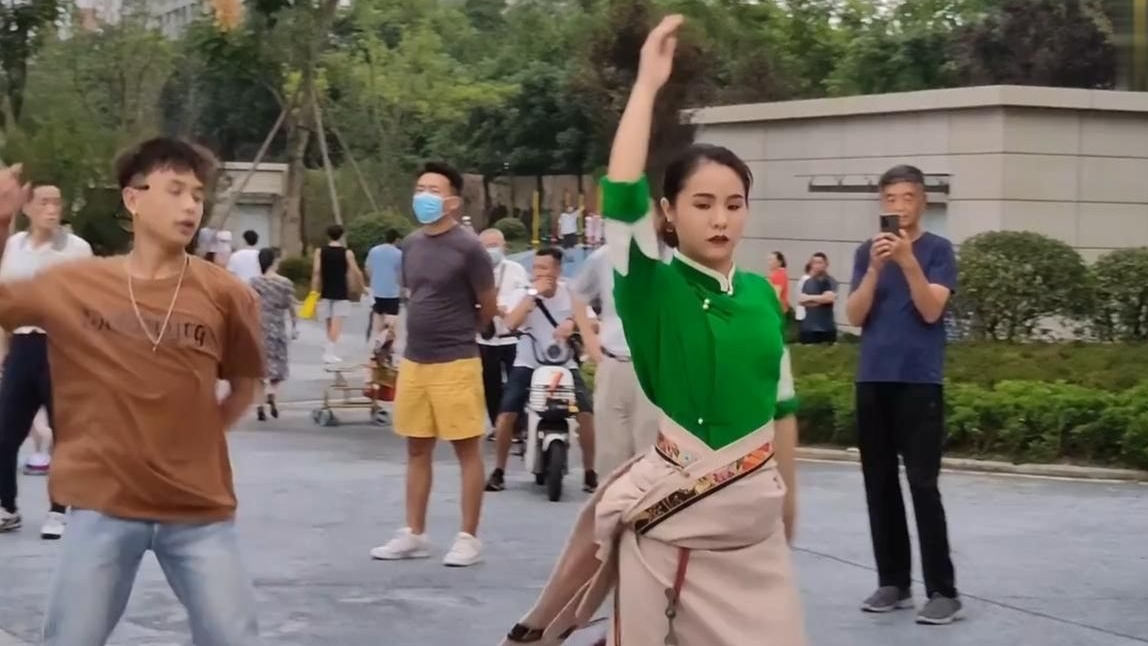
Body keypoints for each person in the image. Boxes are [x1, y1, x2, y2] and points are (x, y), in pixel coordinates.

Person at [498, 16, 804, 646]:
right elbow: (622, 192)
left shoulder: (759, 296)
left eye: (734, 204)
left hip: (755, 533)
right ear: (668, 213)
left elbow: (781, 405)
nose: (720, 219)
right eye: (702, 203)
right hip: (674, 529)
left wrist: (788, 497)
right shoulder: (651, 286)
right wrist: (647, 85)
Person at [0, 138, 265, 645]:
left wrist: (200, 435)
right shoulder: (78, 283)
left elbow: (244, 384)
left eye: (197, 194)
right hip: (103, 504)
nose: (190, 205)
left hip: (198, 510)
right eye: (175, 190)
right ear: (133, 199)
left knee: (235, 638)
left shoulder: (226, 293)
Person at [845, 164, 962, 625]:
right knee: (879, 483)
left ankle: (943, 590)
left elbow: (932, 310)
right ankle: (892, 582)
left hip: (919, 380)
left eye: (907, 197)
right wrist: (875, 269)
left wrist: (908, 261)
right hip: (872, 377)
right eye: (890, 198)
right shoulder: (865, 252)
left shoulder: (938, 251)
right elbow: (854, 315)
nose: (898, 206)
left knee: (922, 483)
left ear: (923, 203)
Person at [369, 161, 496, 568]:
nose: (424, 195)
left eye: (433, 190)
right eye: (420, 187)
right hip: (416, 361)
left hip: (456, 359)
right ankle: (414, 533)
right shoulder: (411, 244)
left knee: (466, 450)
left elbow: (488, 304)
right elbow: (414, 294)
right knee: (417, 449)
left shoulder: (469, 247)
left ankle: (468, 538)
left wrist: (464, 329)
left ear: (453, 201)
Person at [0, 182, 92, 540]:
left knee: (64, 436)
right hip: (21, 347)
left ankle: (58, 510)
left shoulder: (76, 249)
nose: (52, 209)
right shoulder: (15, 246)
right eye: (44, 202)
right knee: (6, 434)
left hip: (61, 348)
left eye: (57, 202)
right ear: (28, 208)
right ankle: (7, 506)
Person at [484, 247, 601, 494]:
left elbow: (593, 322)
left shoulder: (572, 293)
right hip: (529, 361)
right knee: (507, 413)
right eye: (536, 268)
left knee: (586, 413)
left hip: (565, 364)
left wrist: (573, 322)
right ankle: (499, 471)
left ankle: (590, 472)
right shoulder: (524, 293)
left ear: (558, 271)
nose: (539, 273)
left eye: (544, 268)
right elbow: (510, 323)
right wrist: (532, 296)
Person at [570, 215, 673, 478]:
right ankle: (611, 517)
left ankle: (647, 517)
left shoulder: (674, 260)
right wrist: (590, 340)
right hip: (613, 363)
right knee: (610, 456)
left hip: (655, 368)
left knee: (650, 453)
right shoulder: (605, 257)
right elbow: (578, 294)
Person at [476, 228, 529, 430]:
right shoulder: (475, 271)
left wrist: (507, 309)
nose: (491, 250)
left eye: (494, 245)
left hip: (511, 337)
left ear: (503, 246)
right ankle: (498, 426)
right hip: (486, 338)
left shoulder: (516, 270)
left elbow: (525, 297)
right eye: (486, 246)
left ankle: (517, 426)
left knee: (517, 384)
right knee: (491, 385)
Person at [250, 247, 297, 421]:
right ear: (274, 262)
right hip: (277, 326)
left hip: (257, 325)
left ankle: (260, 403)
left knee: (259, 366)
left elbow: (248, 304)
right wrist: (294, 325)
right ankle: (272, 392)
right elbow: (291, 306)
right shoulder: (284, 283)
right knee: (278, 365)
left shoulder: (253, 282)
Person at [310, 224, 364, 364]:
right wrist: (362, 287)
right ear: (341, 235)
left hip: (325, 291)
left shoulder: (319, 251)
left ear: (328, 235)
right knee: (337, 324)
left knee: (329, 323)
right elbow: (356, 271)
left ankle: (330, 350)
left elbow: (316, 272)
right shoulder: (347, 253)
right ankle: (329, 352)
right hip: (340, 292)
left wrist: (313, 291)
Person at [365, 228, 403, 342]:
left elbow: (367, 268)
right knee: (392, 320)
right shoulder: (399, 254)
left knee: (378, 318)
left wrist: (373, 280)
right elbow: (401, 273)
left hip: (376, 291)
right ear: (396, 239)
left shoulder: (374, 251)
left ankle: (380, 341)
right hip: (392, 292)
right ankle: (388, 344)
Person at [797, 252, 838, 345]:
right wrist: (821, 299)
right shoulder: (807, 282)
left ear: (826, 264)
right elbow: (802, 301)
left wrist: (809, 298)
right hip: (808, 328)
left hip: (827, 328)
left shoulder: (831, 281)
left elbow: (829, 298)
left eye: (820, 262)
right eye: (814, 263)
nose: (817, 265)